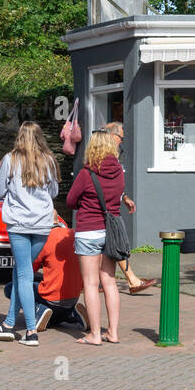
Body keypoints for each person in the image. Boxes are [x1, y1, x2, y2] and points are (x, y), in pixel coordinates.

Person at [0, 122, 59, 347]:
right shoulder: (49, 160)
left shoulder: (10, 159)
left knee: (24, 274)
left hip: (18, 223)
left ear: (19, 137)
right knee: (21, 270)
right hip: (42, 224)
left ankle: (31, 331)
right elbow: (54, 191)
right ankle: (9, 323)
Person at [68, 130, 124, 345]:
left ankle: (94, 335)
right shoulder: (119, 172)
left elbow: (72, 200)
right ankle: (113, 332)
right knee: (109, 283)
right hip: (111, 232)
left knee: (90, 284)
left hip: (89, 231)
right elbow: (118, 198)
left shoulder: (86, 173)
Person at [1, 214, 85, 332]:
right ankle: (71, 314)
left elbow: (29, 269)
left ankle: (39, 310)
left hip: (51, 296)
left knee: (11, 288)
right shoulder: (73, 235)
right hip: (73, 296)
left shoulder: (45, 239)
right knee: (56, 304)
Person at [100, 121, 156, 294]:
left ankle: (100, 281)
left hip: (108, 210)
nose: (121, 142)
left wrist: (124, 197)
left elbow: (112, 184)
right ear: (111, 136)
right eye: (120, 138)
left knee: (107, 247)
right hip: (104, 211)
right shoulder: (101, 157)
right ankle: (132, 280)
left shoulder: (110, 155)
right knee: (115, 245)